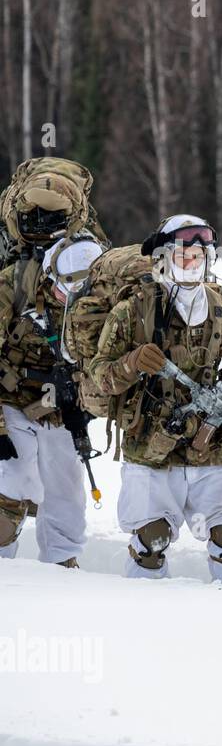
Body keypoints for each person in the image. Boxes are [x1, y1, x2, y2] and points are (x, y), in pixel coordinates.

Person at [87, 214, 222, 582]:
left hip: (208, 445)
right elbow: (99, 377)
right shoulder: (132, 311)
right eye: (185, 256)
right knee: (151, 542)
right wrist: (132, 363)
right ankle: (147, 620)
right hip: (151, 446)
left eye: (200, 258)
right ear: (164, 258)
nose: (192, 265)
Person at [0, 232, 107, 566]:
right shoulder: (15, 288)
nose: (72, 297)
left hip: (61, 407)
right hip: (11, 398)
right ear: (49, 275)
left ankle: (63, 563)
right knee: (16, 478)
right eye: (66, 287)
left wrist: (86, 404)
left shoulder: (100, 301)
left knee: (68, 494)